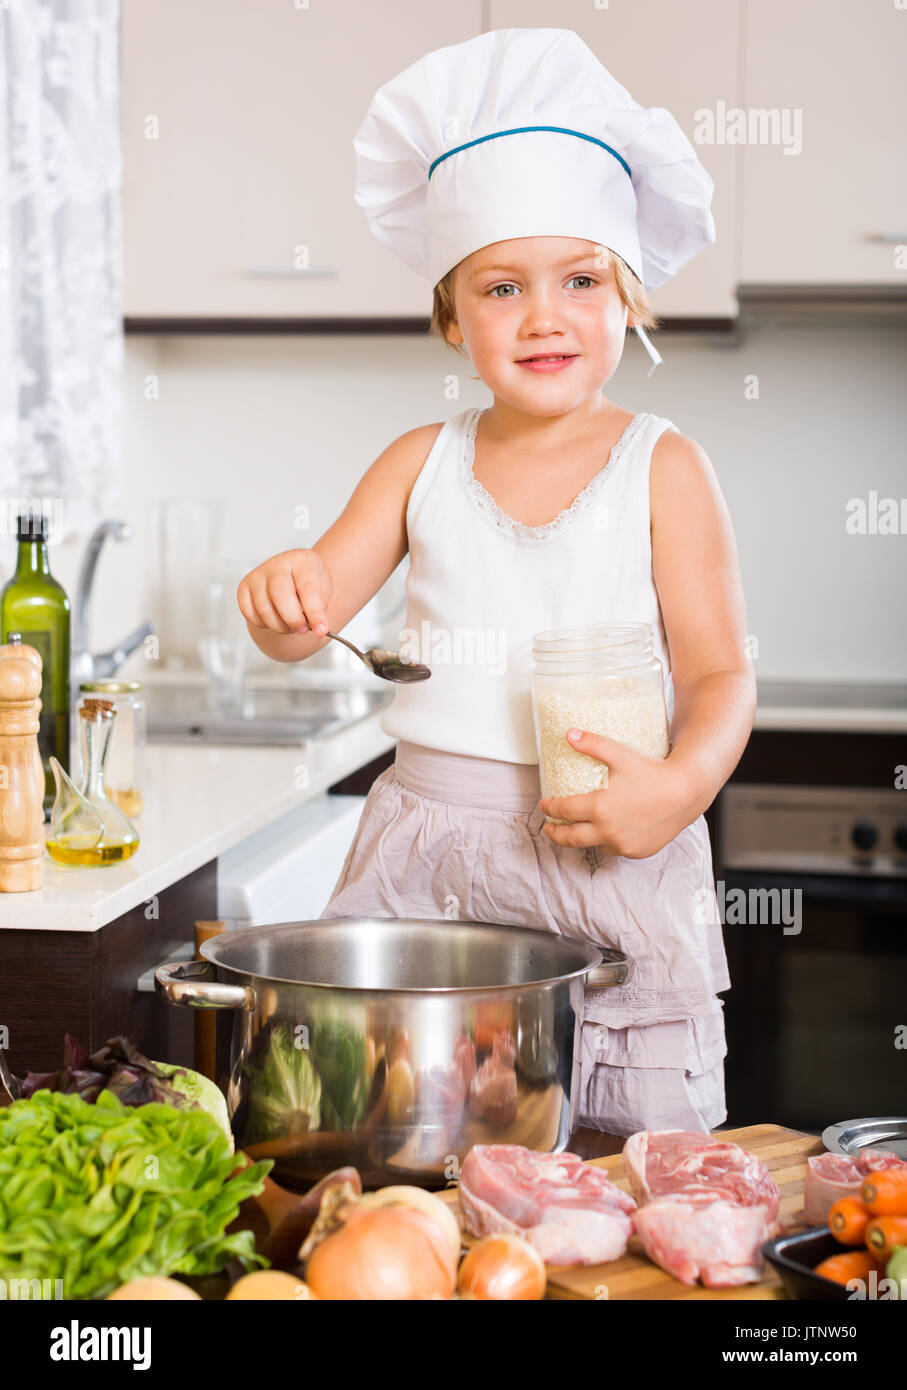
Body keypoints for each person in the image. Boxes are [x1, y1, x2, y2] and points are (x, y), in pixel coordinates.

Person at [238, 29, 756, 1136]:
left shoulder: (663, 465)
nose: (542, 316)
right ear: (451, 314)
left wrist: (683, 785)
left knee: (630, 1155)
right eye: (501, 286)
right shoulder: (416, 461)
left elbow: (719, 673)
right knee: (413, 1145)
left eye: (579, 280)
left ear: (627, 296)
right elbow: (312, 613)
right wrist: (283, 594)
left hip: (608, 842)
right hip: (426, 848)